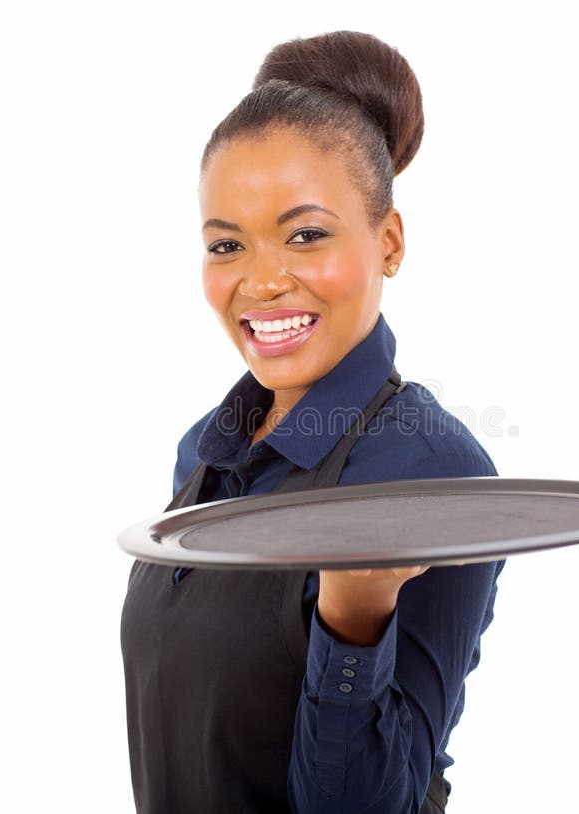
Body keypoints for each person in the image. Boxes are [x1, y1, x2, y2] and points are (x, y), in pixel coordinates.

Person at [121, 30, 505, 814]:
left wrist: (354, 623)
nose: (262, 281)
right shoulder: (206, 447)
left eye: (305, 235)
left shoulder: (432, 471)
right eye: (227, 244)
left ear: (388, 242)